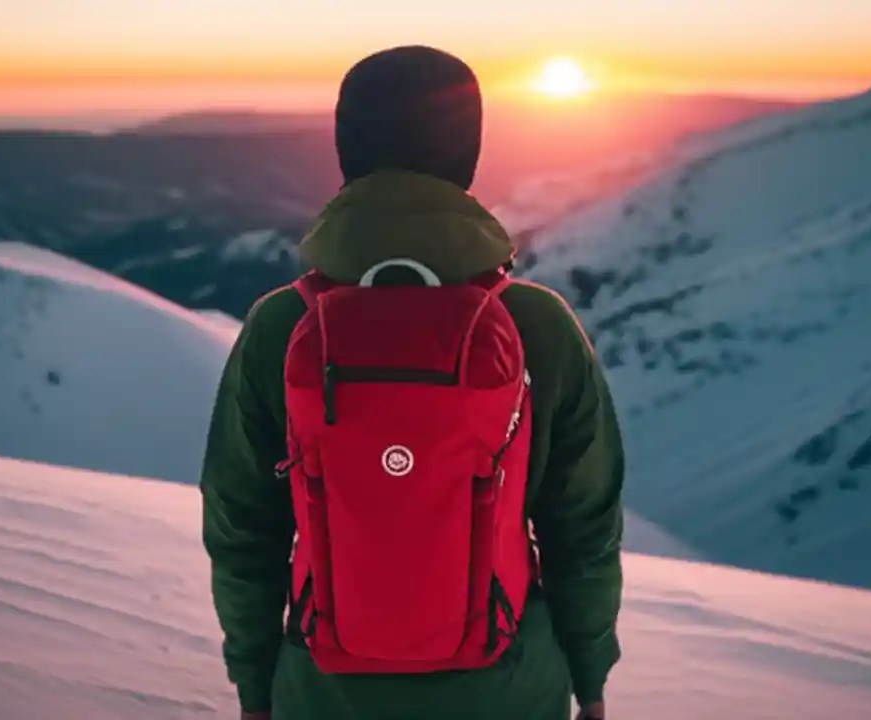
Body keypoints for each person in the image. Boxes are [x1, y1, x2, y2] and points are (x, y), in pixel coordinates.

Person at [200, 45, 623, 720]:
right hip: (510, 685)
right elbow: (585, 529)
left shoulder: (282, 326)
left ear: (346, 154)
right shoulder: (536, 324)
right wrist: (591, 675)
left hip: (325, 691)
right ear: (470, 157)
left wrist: (256, 684)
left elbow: (242, 529)